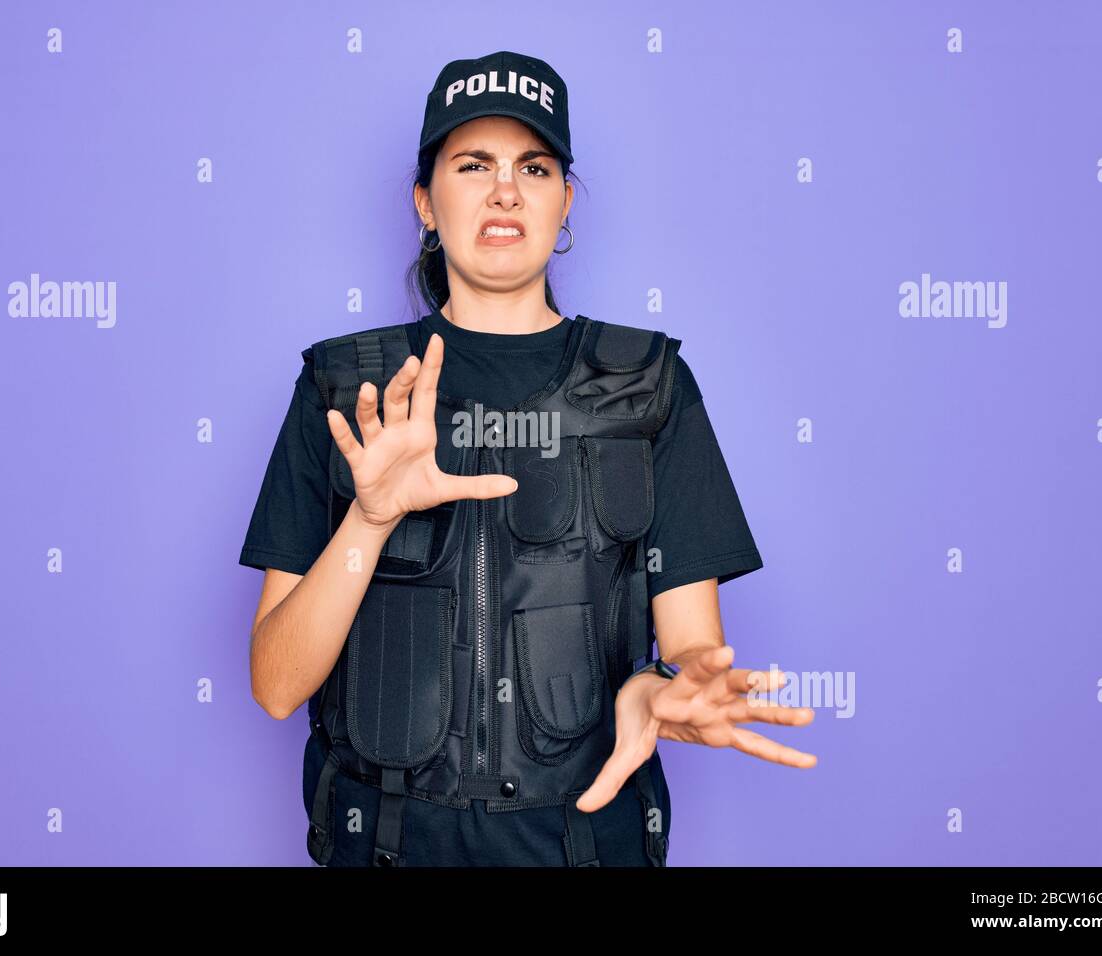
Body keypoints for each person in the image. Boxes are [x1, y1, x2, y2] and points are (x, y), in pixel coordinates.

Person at [239, 50, 816, 867]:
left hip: (584, 843)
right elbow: (275, 685)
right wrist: (369, 519)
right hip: (387, 845)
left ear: (564, 201)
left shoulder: (648, 385)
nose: (505, 191)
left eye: (534, 168)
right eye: (473, 165)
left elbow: (692, 645)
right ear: (424, 202)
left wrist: (670, 689)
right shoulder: (345, 389)